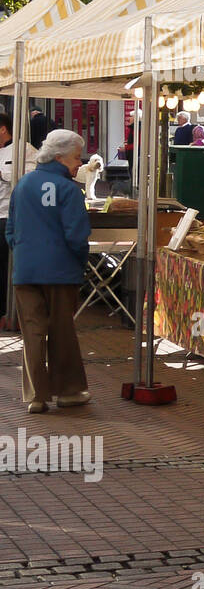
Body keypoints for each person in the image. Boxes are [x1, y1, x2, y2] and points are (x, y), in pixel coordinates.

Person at [6, 129, 91, 413]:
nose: (80, 163)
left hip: (26, 270)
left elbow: (10, 229)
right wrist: (80, 262)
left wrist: (23, 252)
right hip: (61, 270)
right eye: (76, 158)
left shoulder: (24, 184)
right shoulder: (69, 189)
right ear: (59, 157)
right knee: (62, 331)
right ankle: (67, 392)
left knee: (32, 332)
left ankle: (35, 396)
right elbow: (76, 236)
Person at [0, 112, 39, 320]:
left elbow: (30, 174)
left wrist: (3, 174)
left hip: (9, 215)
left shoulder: (24, 149)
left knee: (5, 266)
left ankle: (8, 312)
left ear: (3, 129)